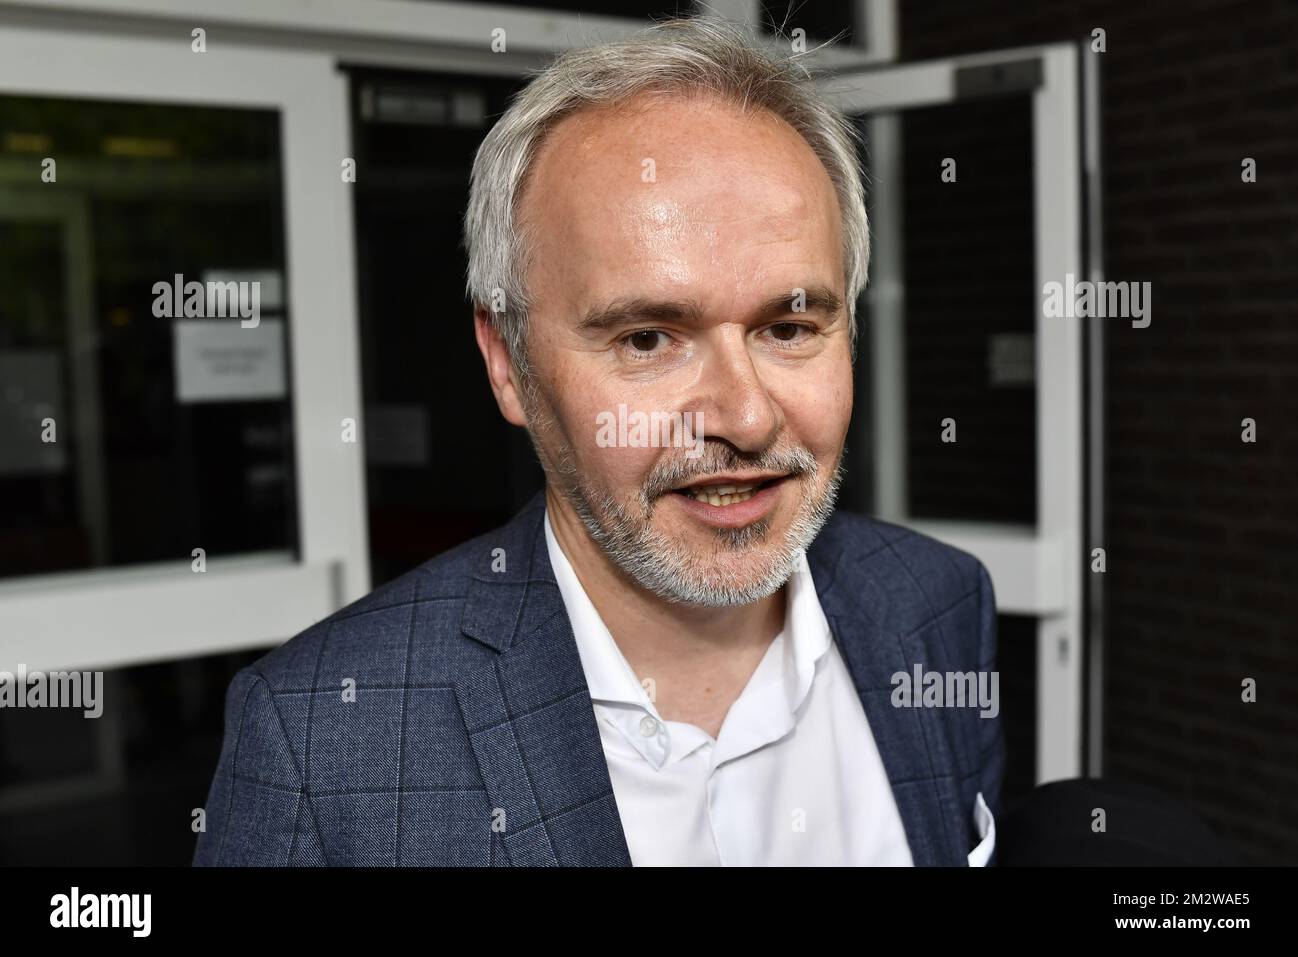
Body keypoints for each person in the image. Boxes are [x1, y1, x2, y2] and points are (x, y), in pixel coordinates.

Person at [193, 15, 1003, 867]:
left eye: (789, 326)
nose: (747, 416)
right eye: (648, 338)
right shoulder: (324, 744)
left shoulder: (936, 608)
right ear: (508, 364)